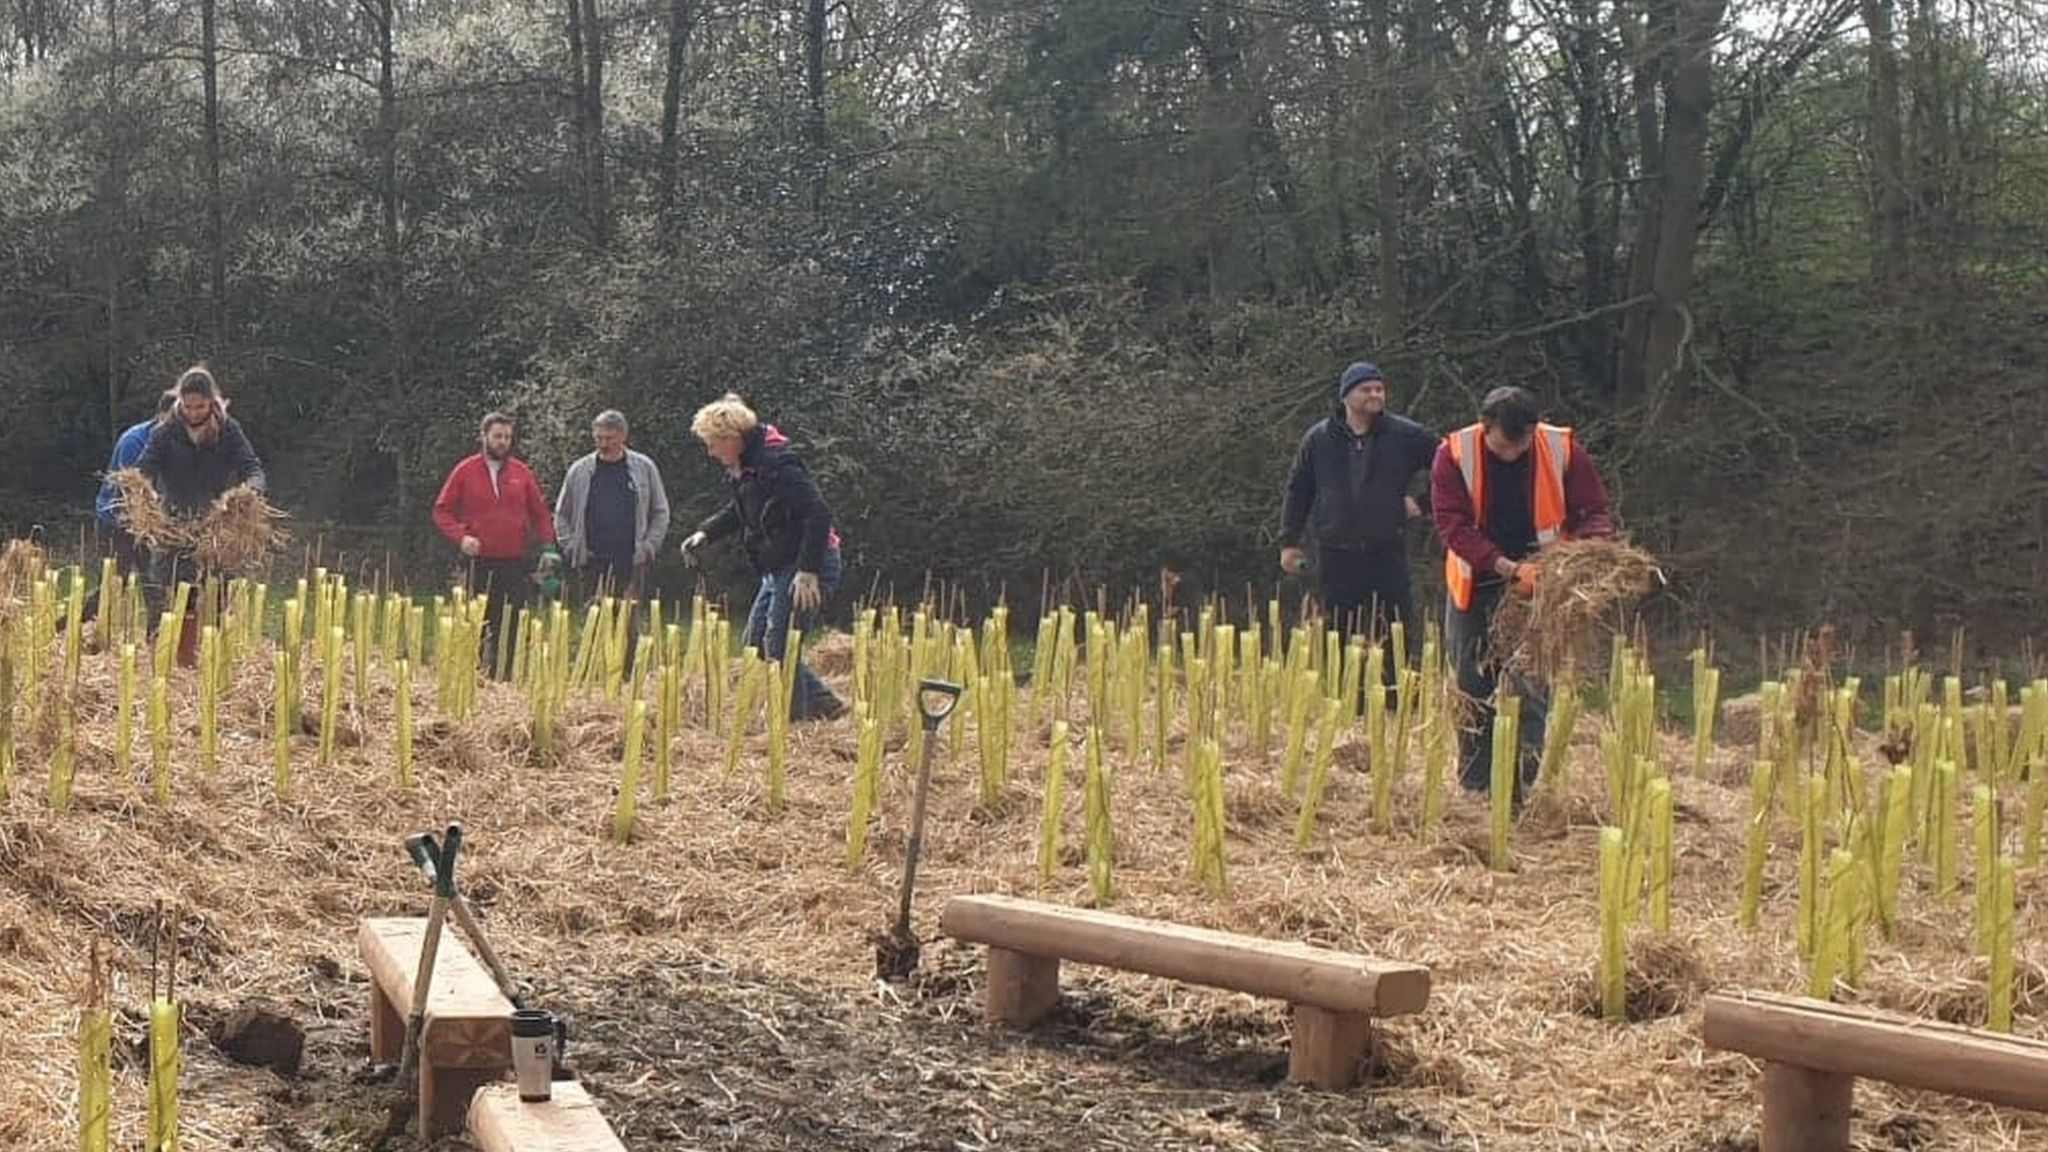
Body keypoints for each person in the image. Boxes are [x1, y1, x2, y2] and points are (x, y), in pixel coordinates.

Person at [1429, 385, 1613, 806]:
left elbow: (1593, 512)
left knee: (1532, 687)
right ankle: (1476, 786)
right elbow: (1453, 527)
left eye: (1520, 443)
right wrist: (1508, 570)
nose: (1511, 452)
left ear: (1534, 429)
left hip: (1543, 589)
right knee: (1473, 686)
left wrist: (1577, 559)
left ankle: (1524, 786)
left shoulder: (1563, 449)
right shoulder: (1453, 454)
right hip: (1477, 584)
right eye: (1502, 445)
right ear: (1485, 426)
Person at [680, 393, 847, 721]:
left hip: (807, 562)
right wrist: (707, 532)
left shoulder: (779, 465)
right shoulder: (745, 467)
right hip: (778, 565)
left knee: (782, 644)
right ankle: (825, 703)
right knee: (756, 640)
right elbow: (741, 510)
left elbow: (818, 513)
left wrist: (808, 571)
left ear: (731, 439)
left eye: (713, 444)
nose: (711, 453)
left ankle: (793, 724)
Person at [1278, 360, 1439, 693]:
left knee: (1396, 629)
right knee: (1338, 631)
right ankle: (1344, 698)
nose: (1375, 395)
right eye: (1367, 389)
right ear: (1347, 395)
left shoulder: (1407, 435)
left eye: (1379, 389)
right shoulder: (1319, 439)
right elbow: (1298, 490)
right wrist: (1289, 542)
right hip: (1337, 552)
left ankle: (1398, 699)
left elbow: (1450, 466)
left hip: (1387, 549)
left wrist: (1423, 504)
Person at [133, 366, 266, 633]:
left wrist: (250, 492)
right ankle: (161, 658)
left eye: (200, 407)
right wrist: (141, 493)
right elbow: (143, 471)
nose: (193, 413)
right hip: (172, 526)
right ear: (180, 401)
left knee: (214, 600)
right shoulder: (164, 432)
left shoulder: (228, 431)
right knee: (167, 601)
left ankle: (208, 660)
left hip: (215, 529)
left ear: (211, 402)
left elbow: (252, 468)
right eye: (188, 406)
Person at [431, 411, 558, 676]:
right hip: (477, 561)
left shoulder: (521, 473)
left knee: (510, 625)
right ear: (484, 437)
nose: (502, 442)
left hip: (513, 562)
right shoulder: (465, 470)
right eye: (497, 436)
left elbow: (540, 514)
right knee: (474, 623)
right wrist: (461, 536)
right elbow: (441, 511)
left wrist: (548, 546)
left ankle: (505, 679)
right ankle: (470, 677)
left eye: (507, 437)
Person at [553, 409, 671, 609]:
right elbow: (561, 514)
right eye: (599, 438)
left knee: (628, 627)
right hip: (591, 562)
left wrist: (649, 546)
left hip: (631, 561)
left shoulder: (644, 468)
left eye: (609, 438)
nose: (603, 444)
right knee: (594, 625)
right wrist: (571, 545)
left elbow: (660, 511)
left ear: (623, 436)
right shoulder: (579, 470)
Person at [95, 389, 179, 579]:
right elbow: (133, 491)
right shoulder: (133, 441)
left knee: (155, 583)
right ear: (160, 415)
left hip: (154, 525)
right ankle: (88, 610)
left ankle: (158, 608)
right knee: (114, 583)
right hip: (118, 521)